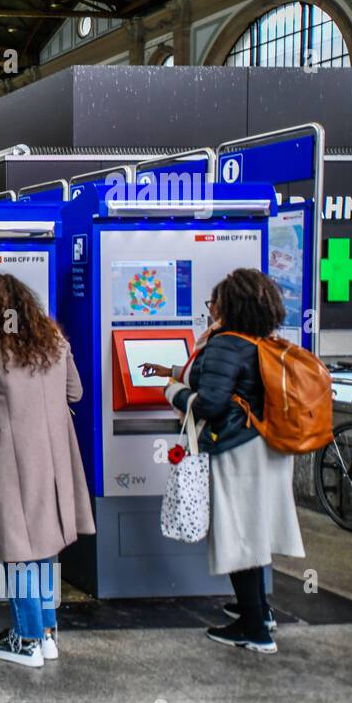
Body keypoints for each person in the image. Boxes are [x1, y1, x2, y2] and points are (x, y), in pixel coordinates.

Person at [142, 268, 305, 655]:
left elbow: (212, 402)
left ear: (227, 305)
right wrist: (173, 371)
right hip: (267, 449)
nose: (209, 309)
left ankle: (254, 630)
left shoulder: (225, 343)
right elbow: (219, 380)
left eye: (212, 303)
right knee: (255, 532)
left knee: (239, 535)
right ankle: (260, 612)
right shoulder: (261, 341)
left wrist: (173, 392)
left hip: (237, 450)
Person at [0, 273, 94, 669]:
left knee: (17, 548)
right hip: (53, 457)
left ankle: (27, 638)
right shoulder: (54, 341)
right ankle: (48, 633)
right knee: (44, 544)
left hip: (9, 459)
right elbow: (76, 393)